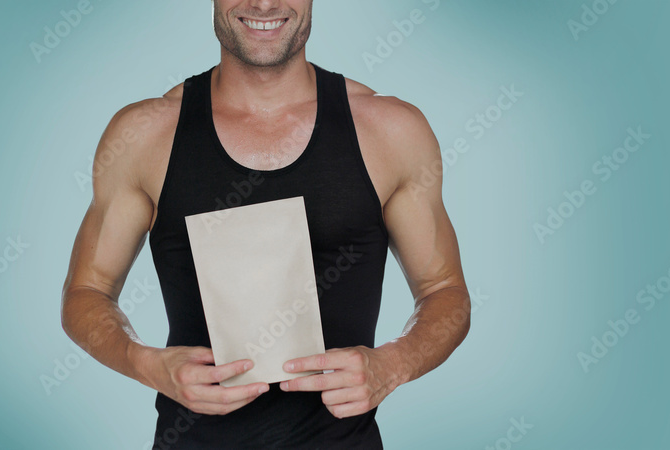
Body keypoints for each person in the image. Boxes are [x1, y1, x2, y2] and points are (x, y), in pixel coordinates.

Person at [60, 1, 471, 448]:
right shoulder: (142, 135)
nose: (263, 3)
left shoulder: (391, 129)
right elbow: (87, 291)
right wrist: (145, 364)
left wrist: (393, 364)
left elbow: (444, 290)